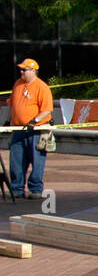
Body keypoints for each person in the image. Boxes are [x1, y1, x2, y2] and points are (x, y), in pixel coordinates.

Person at [8, 59, 53, 200]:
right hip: (19, 130)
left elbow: (47, 110)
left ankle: (36, 189)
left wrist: (34, 121)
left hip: (36, 130)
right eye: (21, 69)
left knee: (37, 160)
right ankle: (17, 188)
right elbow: (12, 104)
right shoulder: (18, 84)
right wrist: (8, 121)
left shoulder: (41, 87)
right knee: (16, 160)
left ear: (33, 71)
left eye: (24, 69)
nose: (21, 72)